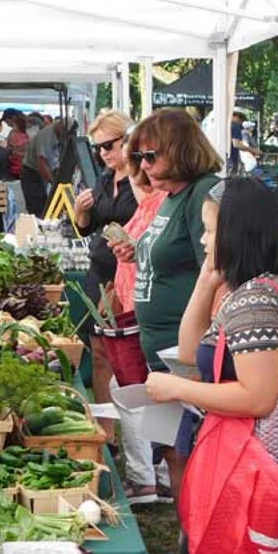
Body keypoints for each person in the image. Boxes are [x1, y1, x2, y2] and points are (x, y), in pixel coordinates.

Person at [145, 177, 278, 554]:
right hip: (249, 455)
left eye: (209, 230)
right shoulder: (262, 288)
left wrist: (176, 389)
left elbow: (258, 396)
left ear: (237, 232)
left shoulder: (256, 298)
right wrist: (205, 283)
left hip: (248, 458)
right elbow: (189, 350)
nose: (203, 241)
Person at [111, 108, 221, 503]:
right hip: (160, 351)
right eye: (139, 158)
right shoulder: (171, 197)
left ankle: (197, 549)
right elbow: (170, 257)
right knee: (172, 450)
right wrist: (136, 252)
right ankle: (185, 546)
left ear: (180, 149)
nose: (144, 165)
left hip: (185, 353)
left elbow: (214, 267)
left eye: (151, 155)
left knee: (189, 450)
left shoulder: (204, 193)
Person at [109, 130, 169, 505]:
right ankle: (157, 474)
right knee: (142, 390)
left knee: (136, 390)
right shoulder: (149, 201)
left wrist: (133, 253)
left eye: (145, 159)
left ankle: (147, 475)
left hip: (150, 311)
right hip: (135, 305)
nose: (139, 167)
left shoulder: (166, 202)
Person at [73, 110, 137, 451]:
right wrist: (81, 212)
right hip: (99, 270)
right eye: (98, 148)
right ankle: (106, 431)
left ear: (128, 140)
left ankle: (138, 439)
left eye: (109, 145)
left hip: (125, 276)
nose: (104, 153)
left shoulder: (142, 181)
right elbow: (87, 226)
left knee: (122, 354)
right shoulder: (103, 179)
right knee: (98, 351)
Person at [21, 121, 62, 216]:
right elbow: (41, 163)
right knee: (37, 207)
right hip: (32, 173)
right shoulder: (46, 135)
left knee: (43, 203)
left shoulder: (57, 135)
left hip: (40, 173)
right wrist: (53, 182)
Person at [6, 114, 30, 180]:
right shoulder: (28, 135)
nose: (12, 127)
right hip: (19, 166)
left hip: (18, 166)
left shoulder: (14, 135)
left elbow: (10, 147)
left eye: (14, 125)